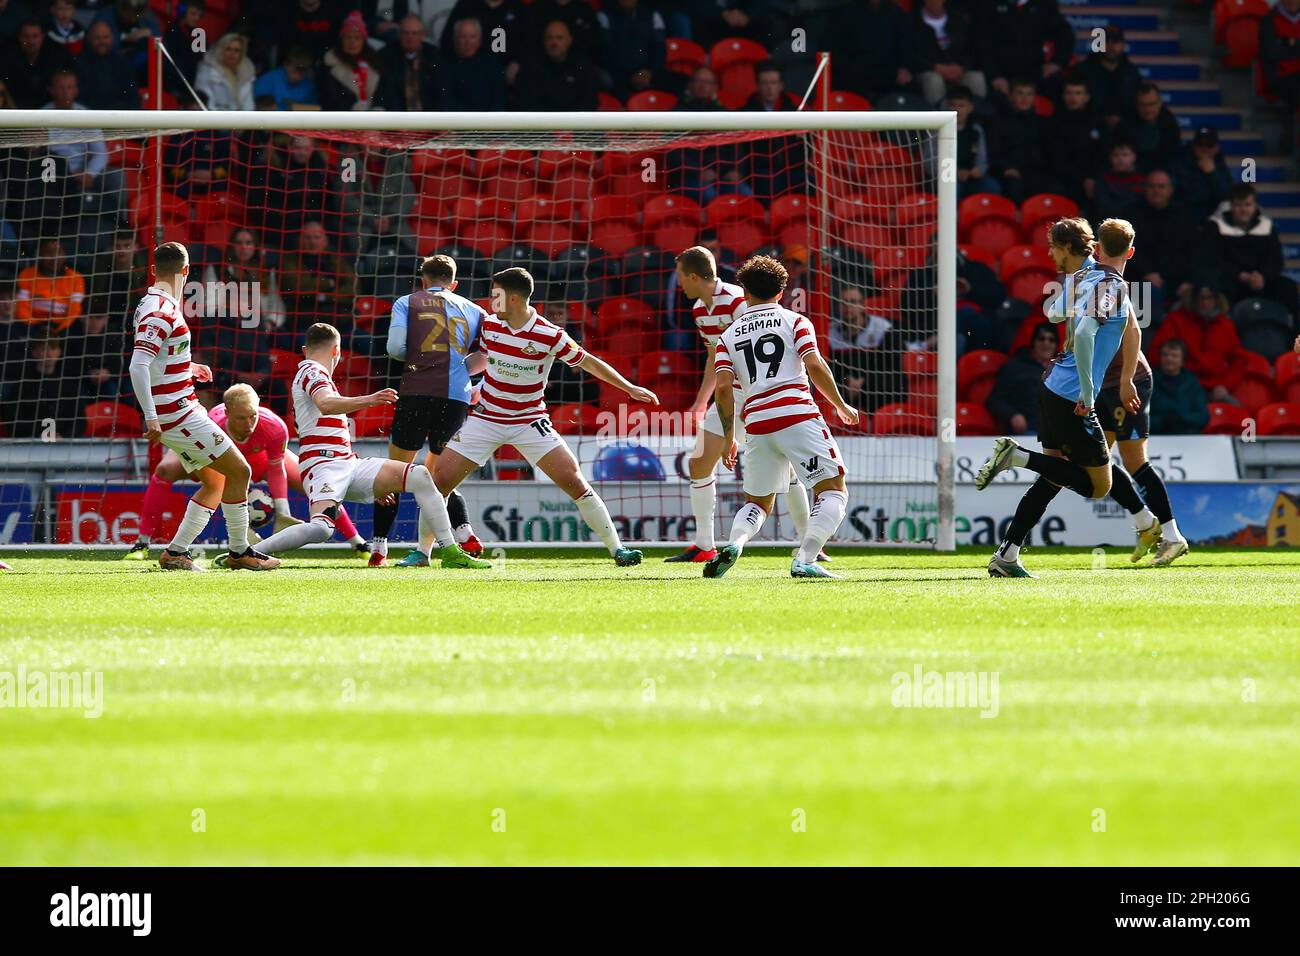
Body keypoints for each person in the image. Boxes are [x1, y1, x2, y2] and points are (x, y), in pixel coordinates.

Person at [432, 267, 656, 567]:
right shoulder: (490, 325)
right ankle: (425, 553)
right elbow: (482, 359)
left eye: (495, 295)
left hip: (529, 421)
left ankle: (618, 550)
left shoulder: (550, 335)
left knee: (575, 482)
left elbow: (588, 362)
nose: (490, 300)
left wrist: (628, 387)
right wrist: (448, 374)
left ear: (513, 299)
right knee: (438, 483)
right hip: (487, 418)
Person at [977, 218, 1153, 576]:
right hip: (1073, 395)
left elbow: (1056, 315)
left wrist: (1072, 294)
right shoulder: (1104, 283)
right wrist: (1090, 394)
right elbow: (1085, 331)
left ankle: (1007, 555)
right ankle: (1017, 457)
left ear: (1072, 249)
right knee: (1097, 486)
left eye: (1054, 248)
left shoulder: (1086, 280)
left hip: (1053, 386)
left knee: (1054, 476)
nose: (1049, 253)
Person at [250, 322, 488, 568]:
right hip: (324, 464)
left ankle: (449, 552)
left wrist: (376, 483)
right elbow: (326, 403)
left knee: (419, 476)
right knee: (322, 529)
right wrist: (372, 399)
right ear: (336, 351)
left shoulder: (312, 372)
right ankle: (249, 552)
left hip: (346, 462)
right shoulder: (312, 370)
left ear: (304, 348)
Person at [702, 255, 860, 580]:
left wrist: (730, 435)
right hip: (796, 414)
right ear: (781, 292)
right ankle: (805, 557)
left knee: (758, 503)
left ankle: (735, 543)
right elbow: (814, 365)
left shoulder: (728, 336)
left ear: (744, 292)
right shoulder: (795, 321)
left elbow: (721, 388)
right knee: (833, 491)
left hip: (758, 423)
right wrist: (841, 405)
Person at [126, 242, 279, 572]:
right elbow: (138, 365)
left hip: (179, 406)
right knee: (240, 471)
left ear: (154, 270)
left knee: (216, 482)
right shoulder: (161, 311)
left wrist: (188, 367)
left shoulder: (152, 304)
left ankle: (176, 553)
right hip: (177, 413)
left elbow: (159, 358)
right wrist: (152, 418)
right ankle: (240, 552)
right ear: (186, 270)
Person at [665, 245, 818, 564]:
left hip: (760, 393)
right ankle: (704, 545)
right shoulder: (698, 310)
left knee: (787, 473)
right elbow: (714, 358)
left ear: (693, 276)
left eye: (680, 276)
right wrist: (700, 401)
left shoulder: (738, 300)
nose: (678, 283)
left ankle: (809, 543)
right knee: (699, 463)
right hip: (730, 393)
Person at [130, 383, 370, 561]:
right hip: (215, 459)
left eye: (252, 416)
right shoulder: (212, 422)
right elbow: (222, 474)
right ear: (227, 413)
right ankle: (142, 544)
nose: (248, 424)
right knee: (164, 469)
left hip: (260, 461)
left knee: (316, 483)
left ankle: (358, 543)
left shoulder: (274, 426)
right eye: (241, 418)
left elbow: (276, 470)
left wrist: (282, 512)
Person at [371, 255, 485, 567]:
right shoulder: (476, 310)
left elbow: (394, 349)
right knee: (439, 477)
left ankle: (379, 550)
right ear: (454, 283)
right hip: (456, 399)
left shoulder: (407, 302)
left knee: (395, 473)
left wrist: (421, 359)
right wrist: (464, 371)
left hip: (416, 393)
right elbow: (489, 355)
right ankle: (462, 531)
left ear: (423, 279)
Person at [986, 321, 1058, 435]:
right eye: (1041, 339)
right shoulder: (1014, 367)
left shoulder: (1062, 370)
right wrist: (1013, 415)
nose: (1046, 343)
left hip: (1056, 433)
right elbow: (994, 400)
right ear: (1033, 343)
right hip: (1027, 433)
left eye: (1051, 340)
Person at [514, 19, 597, 111]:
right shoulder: (530, 68)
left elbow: (589, 103)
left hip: (574, 123)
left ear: (569, 40)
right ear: (544, 41)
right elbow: (526, 104)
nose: (554, 43)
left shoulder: (582, 67)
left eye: (559, 38)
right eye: (549, 38)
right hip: (541, 123)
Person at [15, 238, 85, 334]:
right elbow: (21, 306)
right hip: (31, 327)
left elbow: (75, 310)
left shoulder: (76, 278)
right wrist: (35, 326)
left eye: (58, 252)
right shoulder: (27, 274)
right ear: (40, 254)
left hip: (63, 329)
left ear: (64, 255)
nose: (54, 257)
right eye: (48, 253)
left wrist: (59, 329)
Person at [318, 11, 382, 111]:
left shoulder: (375, 63)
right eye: (348, 37)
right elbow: (332, 98)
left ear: (363, 41)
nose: (352, 42)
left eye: (357, 38)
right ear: (341, 40)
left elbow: (383, 95)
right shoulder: (329, 65)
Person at [375, 15, 441, 111]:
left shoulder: (435, 56)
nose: (410, 37)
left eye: (414, 33)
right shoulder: (385, 56)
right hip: (396, 119)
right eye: (406, 33)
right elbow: (385, 94)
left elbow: (441, 94)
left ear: (422, 36)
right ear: (399, 35)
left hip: (429, 119)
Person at [1150, 339, 1209, 436]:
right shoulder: (1148, 381)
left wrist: (1181, 419)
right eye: (1165, 355)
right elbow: (1139, 418)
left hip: (1188, 437)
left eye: (1174, 356)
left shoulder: (1192, 383)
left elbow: (1203, 417)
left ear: (1183, 361)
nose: (1169, 359)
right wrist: (1163, 421)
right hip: (1155, 437)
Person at [195, 32, 257, 112]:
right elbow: (205, 103)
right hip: (214, 121)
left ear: (241, 53)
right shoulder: (207, 70)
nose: (232, 54)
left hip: (240, 122)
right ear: (220, 50)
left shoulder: (247, 72)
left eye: (236, 50)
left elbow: (249, 106)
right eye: (228, 49)